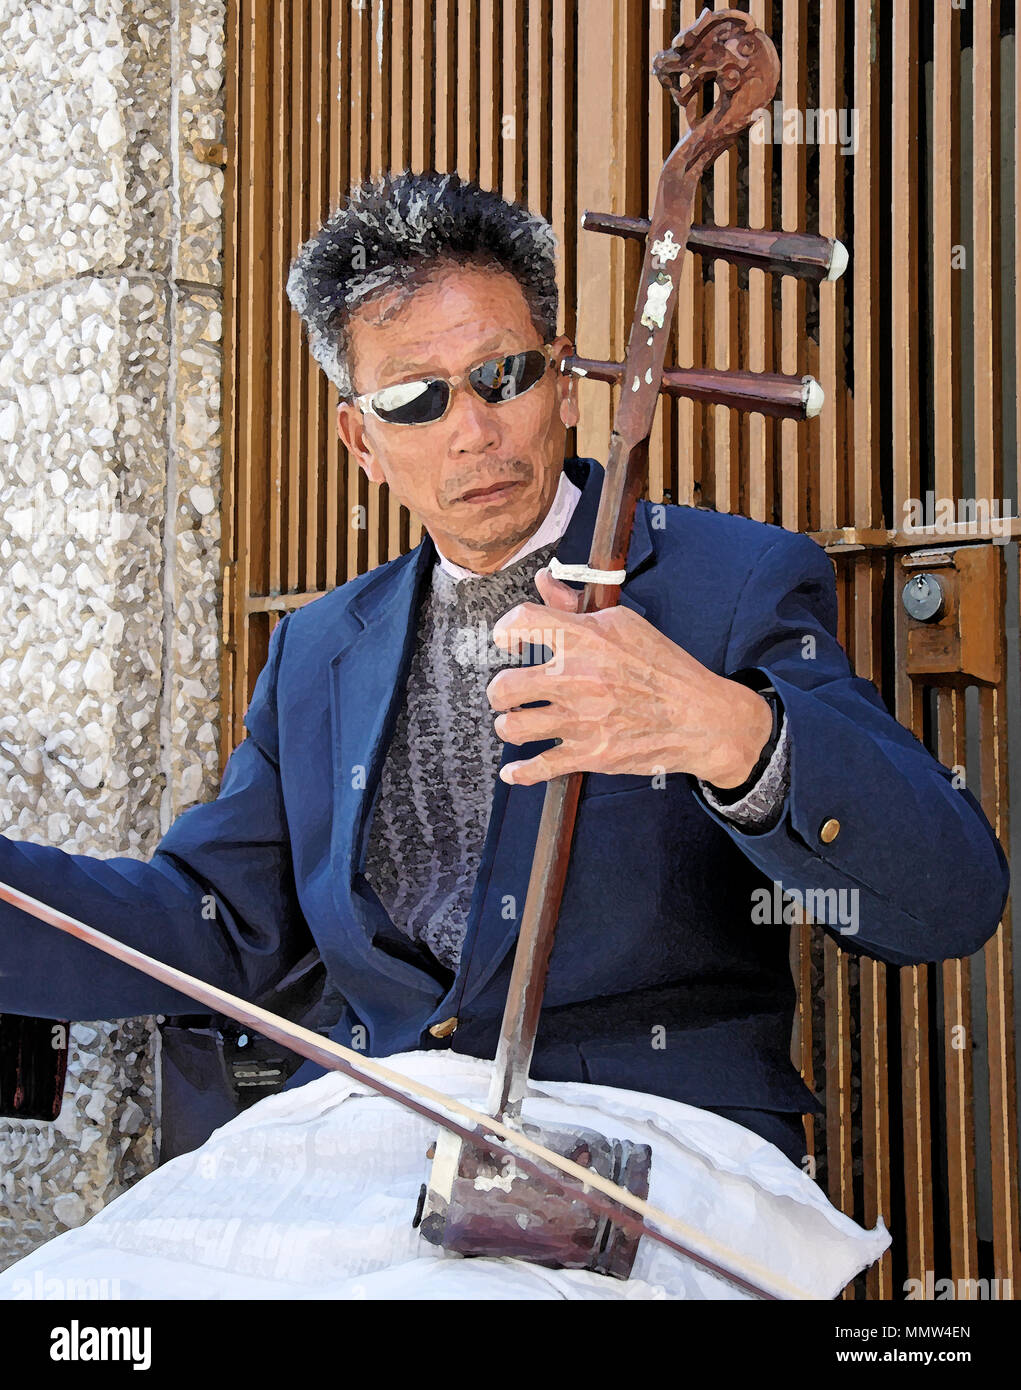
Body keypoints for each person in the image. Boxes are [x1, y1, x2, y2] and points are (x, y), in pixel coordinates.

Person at [0, 171, 1009, 1171]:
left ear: (563, 379)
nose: (472, 431)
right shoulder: (318, 649)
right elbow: (208, 924)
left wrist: (728, 731)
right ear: (360, 438)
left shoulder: (726, 582)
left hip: (652, 1145)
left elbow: (953, 895)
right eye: (414, 399)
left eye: (502, 377)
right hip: (382, 1133)